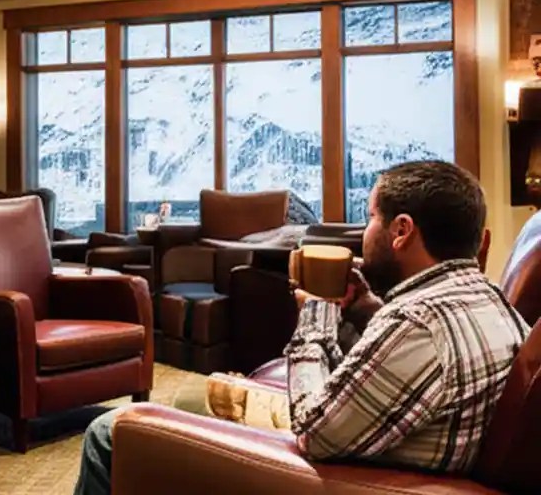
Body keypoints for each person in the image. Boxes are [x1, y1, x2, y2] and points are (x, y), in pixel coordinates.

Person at [73, 161, 529, 495]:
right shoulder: (490, 301)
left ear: (402, 231)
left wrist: (315, 313)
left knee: (111, 431)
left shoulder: (418, 324)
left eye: (371, 217)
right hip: (386, 442)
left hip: (346, 472)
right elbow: (411, 368)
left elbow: (316, 431)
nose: (364, 231)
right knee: (191, 396)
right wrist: (364, 307)